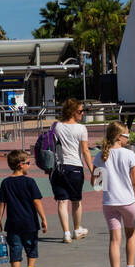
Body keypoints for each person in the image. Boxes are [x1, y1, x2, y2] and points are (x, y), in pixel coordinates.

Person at [92, 120, 135, 267]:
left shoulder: (100, 156)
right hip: (127, 201)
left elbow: (95, 184)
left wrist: (105, 179)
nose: (128, 139)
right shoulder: (129, 155)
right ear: (119, 137)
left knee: (114, 240)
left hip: (109, 202)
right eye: (126, 135)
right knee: (131, 234)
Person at [0, 149, 48, 267]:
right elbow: (37, 202)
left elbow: (2, 203)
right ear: (20, 165)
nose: (30, 165)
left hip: (12, 224)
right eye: (28, 163)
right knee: (31, 247)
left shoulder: (6, 183)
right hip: (29, 222)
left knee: (15, 249)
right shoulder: (30, 182)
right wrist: (43, 218)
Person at [49, 98, 94, 242]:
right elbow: (86, 151)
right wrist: (92, 170)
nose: (82, 113)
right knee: (76, 201)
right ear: (73, 112)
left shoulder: (56, 127)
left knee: (62, 202)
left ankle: (66, 233)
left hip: (58, 167)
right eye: (80, 111)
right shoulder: (81, 129)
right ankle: (77, 229)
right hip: (75, 167)